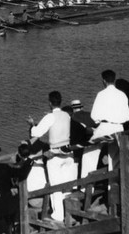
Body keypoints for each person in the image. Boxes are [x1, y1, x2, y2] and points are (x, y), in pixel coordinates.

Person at [27, 91, 76, 223]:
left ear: (50, 103)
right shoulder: (66, 115)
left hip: (55, 155)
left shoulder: (50, 117)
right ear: (60, 101)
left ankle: (58, 215)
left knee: (56, 186)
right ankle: (68, 212)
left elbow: (37, 132)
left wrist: (32, 124)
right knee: (67, 186)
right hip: (68, 153)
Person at [80, 70, 129, 180]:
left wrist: (98, 121)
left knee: (89, 153)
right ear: (114, 79)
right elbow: (127, 117)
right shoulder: (122, 95)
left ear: (104, 81)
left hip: (105, 127)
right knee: (115, 158)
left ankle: (86, 186)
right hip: (118, 128)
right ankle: (113, 185)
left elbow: (94, 115)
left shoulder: (101, 94)